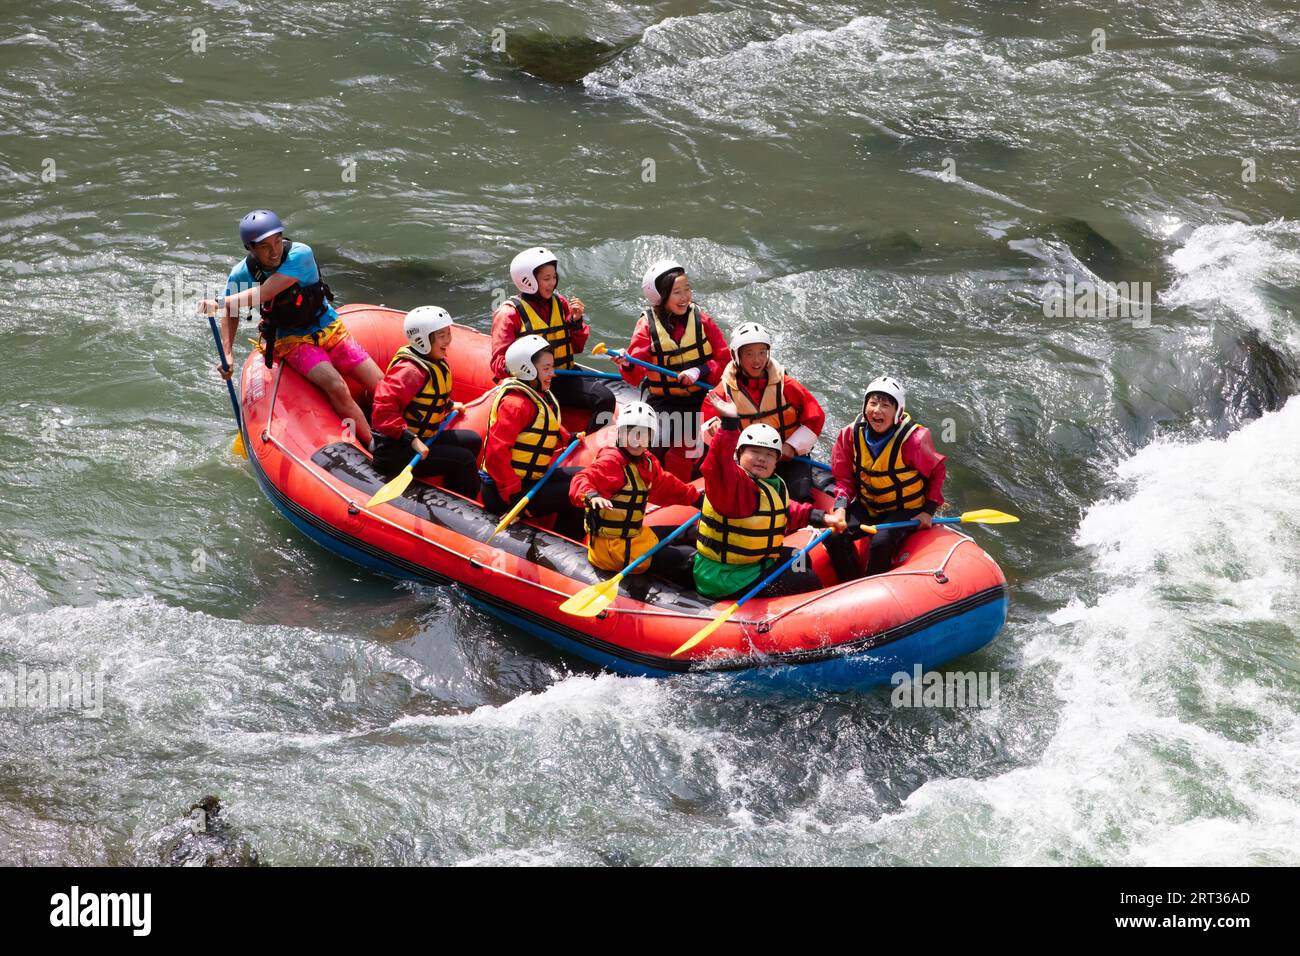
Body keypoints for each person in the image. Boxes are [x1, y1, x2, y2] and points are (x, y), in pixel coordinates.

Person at [199, 210, 383, 447]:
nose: (274, 251)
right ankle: (375, 445)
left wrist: (219, 301)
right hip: (292, 340)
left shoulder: (300, 254)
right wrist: (227, 353)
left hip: (329, 326)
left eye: (277, 241)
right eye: (265, 246)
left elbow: (265, 292)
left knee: (379, 381)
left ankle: (407, 431)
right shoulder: (241, 274)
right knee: (337, 385)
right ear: (250, 248)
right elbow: (231, 313)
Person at [692, 394, 844, 602]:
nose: (762, 458)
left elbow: (784, 509)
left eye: (770, 455)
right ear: (739, 454)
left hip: (750, 565)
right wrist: (729, 424)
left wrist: (823, 518)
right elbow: (715, 468)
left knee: (799, 557)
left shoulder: (771, 484)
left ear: (776, 462)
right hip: (726, 577)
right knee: (804, 580)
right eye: (754, 452)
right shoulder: (732, 486)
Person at [609, 260, 730, 479]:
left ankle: (700, 491)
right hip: (665, 401)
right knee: (652, 443)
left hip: (704, 398)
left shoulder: (702, 320)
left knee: (710, 449)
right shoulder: (646, 326)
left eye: (687, 289)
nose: (685, 297)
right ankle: (648, 487)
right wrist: (626, 363)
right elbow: (635, 375)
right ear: (661, 296)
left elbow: (725, 361)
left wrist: (700, 371)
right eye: (677, 292)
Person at [823, 376, 947, 581]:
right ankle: (849, 581)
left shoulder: (914, 440)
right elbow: (844, 478)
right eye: (872, 403)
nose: (877, 410)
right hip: (869, 506)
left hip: (906, 509)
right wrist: (841, 507)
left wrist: (928, 511)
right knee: (834, 535)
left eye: (885, 405)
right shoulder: (849, 435)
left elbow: (937, 471)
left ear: (898, 412)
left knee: (881, 541)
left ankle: (874, 584)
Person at [569, 401, 704, 588]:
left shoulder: (646, 462)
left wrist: (697, 499)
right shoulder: (612, 461)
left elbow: (666, 485)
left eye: (643, 434)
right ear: (620, 433)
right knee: (689, 558)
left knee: (694, 533)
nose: (636, 440)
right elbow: (582, 478)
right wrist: (591, 496)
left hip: (634, 537)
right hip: (612, 551)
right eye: (631, 432)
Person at [488, 247, 616, 432]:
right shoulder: (508, 314)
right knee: (544, 417)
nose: (552, 283)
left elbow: (576, 348)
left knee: (605, 397)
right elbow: (498, 364)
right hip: (532, 384)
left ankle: (588, 445)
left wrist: (575, 323)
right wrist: (533, 370)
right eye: (546, 278)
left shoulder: (560, 303)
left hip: (563, 376)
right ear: (527, 280)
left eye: (554, 277)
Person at [699, 322, 825, 502]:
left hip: (785, 457)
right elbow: (706, 425)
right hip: (747, 462)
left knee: (800, 496)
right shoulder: (723, 391)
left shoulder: (786, 385)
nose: (757, 360)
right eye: (749, 354)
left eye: (762, 353)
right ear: (736, 356)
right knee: (743, 501)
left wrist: (792, 446)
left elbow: (816, 417)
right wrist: (715, 427)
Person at [479, 334, 586, 540]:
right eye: (546, 369)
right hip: (504, 493)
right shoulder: (515, 405)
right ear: (527, 369)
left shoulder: (538, 395)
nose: (552, 374)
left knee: (583, 477)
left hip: (527, 480)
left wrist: (566, 437)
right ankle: (565, 544)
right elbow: (495, 454)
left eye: (551, 367)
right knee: (578, 494)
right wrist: (514, 496)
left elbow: (544, 425)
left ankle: (567, 538)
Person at [370, 306, 481, 498]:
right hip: (395, 449)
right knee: (465, 460)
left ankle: (452, 486)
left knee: (472, 440)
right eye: (441, 335)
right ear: (422, 340)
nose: (448, 340)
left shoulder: (433, 362)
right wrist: (412, 440)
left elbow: (426, 397)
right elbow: (382, 412)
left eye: (448, 333)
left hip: (420, 437)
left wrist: (448, 405)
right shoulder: (409, 371)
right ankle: (464, 507)